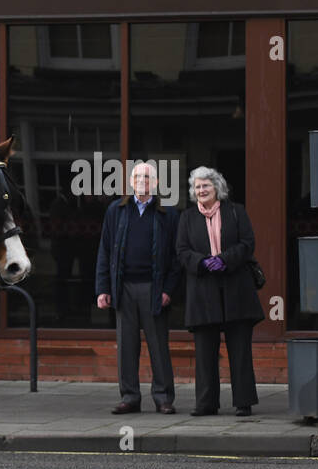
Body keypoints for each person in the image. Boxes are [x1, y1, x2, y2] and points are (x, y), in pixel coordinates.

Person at [176, 166, 264, 417]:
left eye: (206, 185)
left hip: (236, 289)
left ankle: (243, 402)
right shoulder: (187, 218)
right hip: (203, 291)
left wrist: (224, 259)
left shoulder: (236, 212)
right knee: (204, 353)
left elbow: (247, 244)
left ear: (217, 188)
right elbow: (181, 251)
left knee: (240, 351)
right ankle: (206, 403)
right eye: (197, 186)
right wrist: (201, 262)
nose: (201, 190)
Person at [95, 161, 182, 414]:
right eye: (137, 177)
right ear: (131, 182)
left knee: (158, 346)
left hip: (154, 289)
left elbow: (176, 258)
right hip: (124, 289)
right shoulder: (116, 210)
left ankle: (163, 398)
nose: (142, 181)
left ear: (155, 183)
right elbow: (105, 251)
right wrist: (103, 288)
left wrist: (168, 290)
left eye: (147, 177)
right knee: (126, 346)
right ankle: (130, 397)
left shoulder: (168, 212)